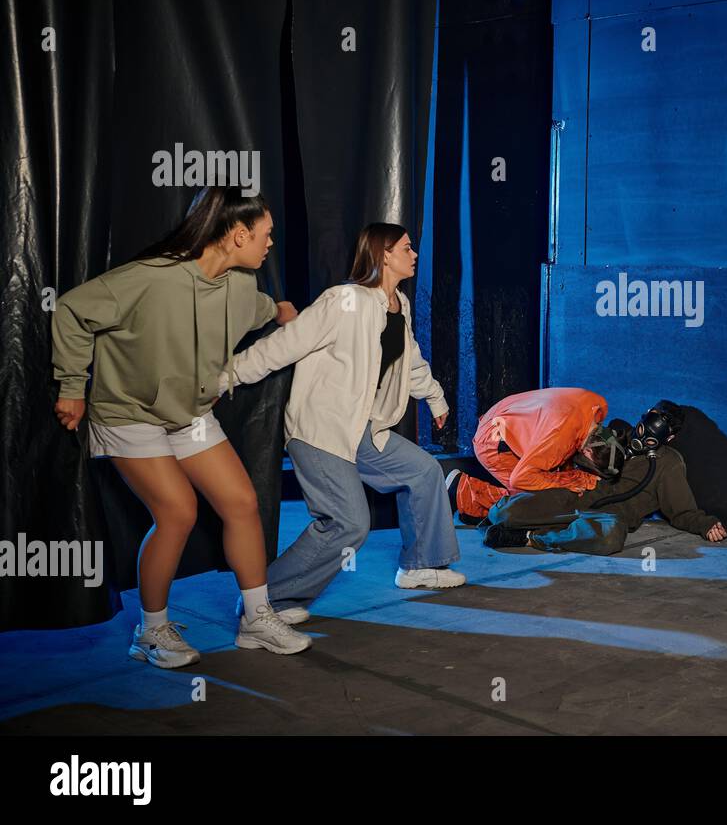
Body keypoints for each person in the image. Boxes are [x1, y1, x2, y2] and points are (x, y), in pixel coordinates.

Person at [51, 187, 312, 669]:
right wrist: (71, 386)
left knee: (242, 502)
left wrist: (282, 311)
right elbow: (71, 310)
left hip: (187, 413)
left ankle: (256, 618)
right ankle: (150, 632)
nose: (271, 243)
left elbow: (262, 309)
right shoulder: (152, 277)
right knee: (177, 512)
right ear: (239, 234)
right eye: (266, 233)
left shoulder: (239, 286)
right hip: (129, 413)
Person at [219, 223, 465, 619]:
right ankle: (266, 601)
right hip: (323, 429)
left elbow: (411, 362)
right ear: (384, 254)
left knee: (423, 471)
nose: (414, 254)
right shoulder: (344, 300)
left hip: (363, 429)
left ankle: (421, 565)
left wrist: (435, 398)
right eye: (407, 248)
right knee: (348, 523)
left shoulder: (398, 304)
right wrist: (226, 376)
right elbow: (283, 345)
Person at [482, 403, 727, 554]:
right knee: (503, 514)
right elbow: (571, 456)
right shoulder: (615, 433)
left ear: (669, 438)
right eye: (644, 428)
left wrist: (704, 524)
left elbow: (682, 511)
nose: (641, 438)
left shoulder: (668, 463)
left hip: (607, 518)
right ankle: (499, 511)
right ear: (644, 416)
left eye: (652, 436)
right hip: (574, 498)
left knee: (610, 537)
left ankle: (531, 538)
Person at [448, 387, 609, 521]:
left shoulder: (599, 405)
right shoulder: (560, 436)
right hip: (493, 439)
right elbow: (521, 478)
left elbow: (568, 446)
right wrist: (568, 481)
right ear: (587, 451)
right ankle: (463, 492)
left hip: (507, 415)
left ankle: (473, 506)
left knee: (549, 482)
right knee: (532, 501)